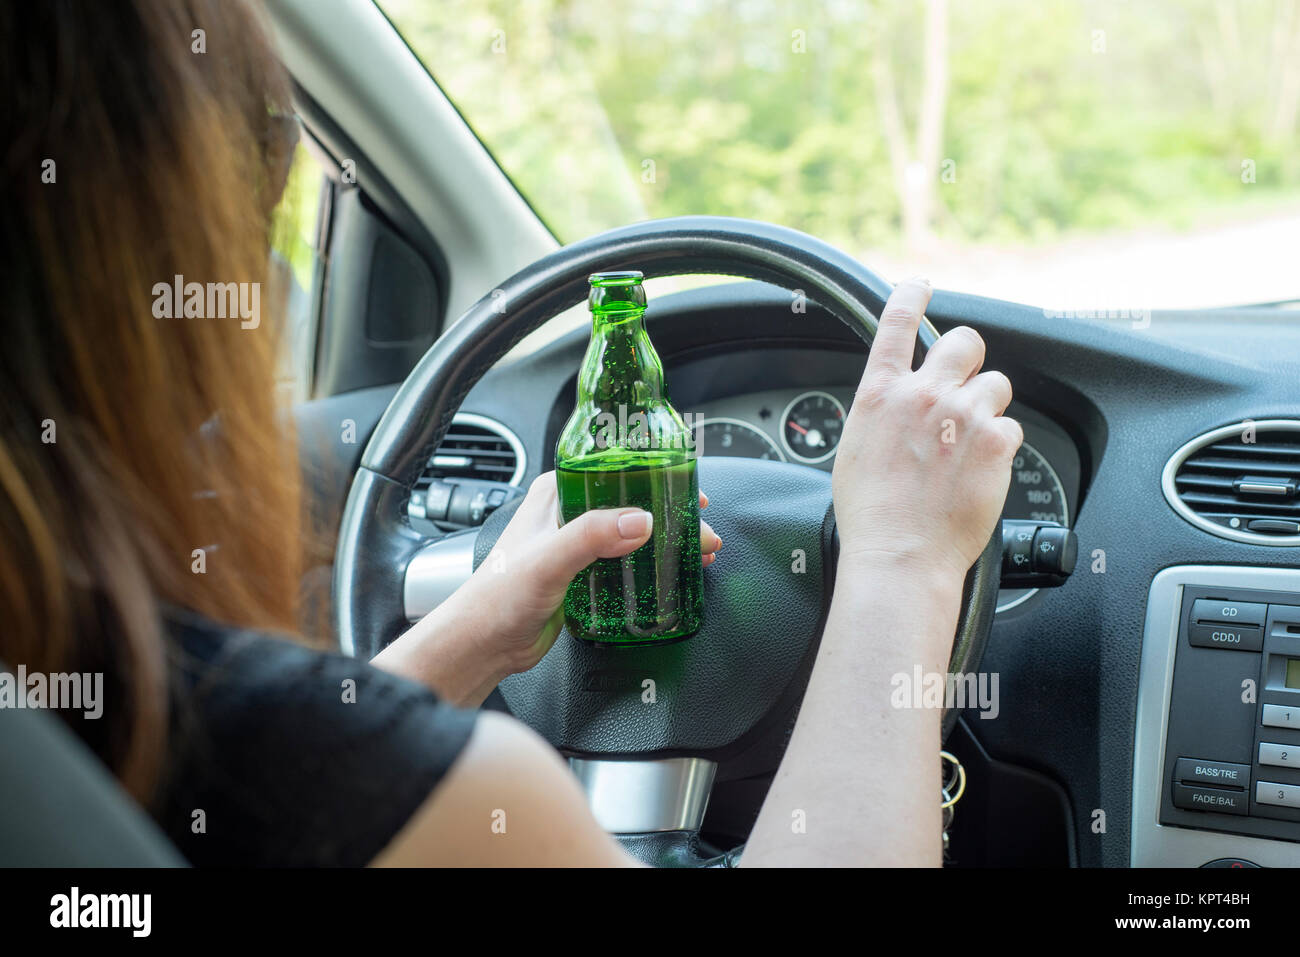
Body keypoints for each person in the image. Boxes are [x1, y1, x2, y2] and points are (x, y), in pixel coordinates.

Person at [0, 0, 1019, 867]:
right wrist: (898, 560)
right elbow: (310, 774)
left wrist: (479, 625)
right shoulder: (465, 799)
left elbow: (286, 790)